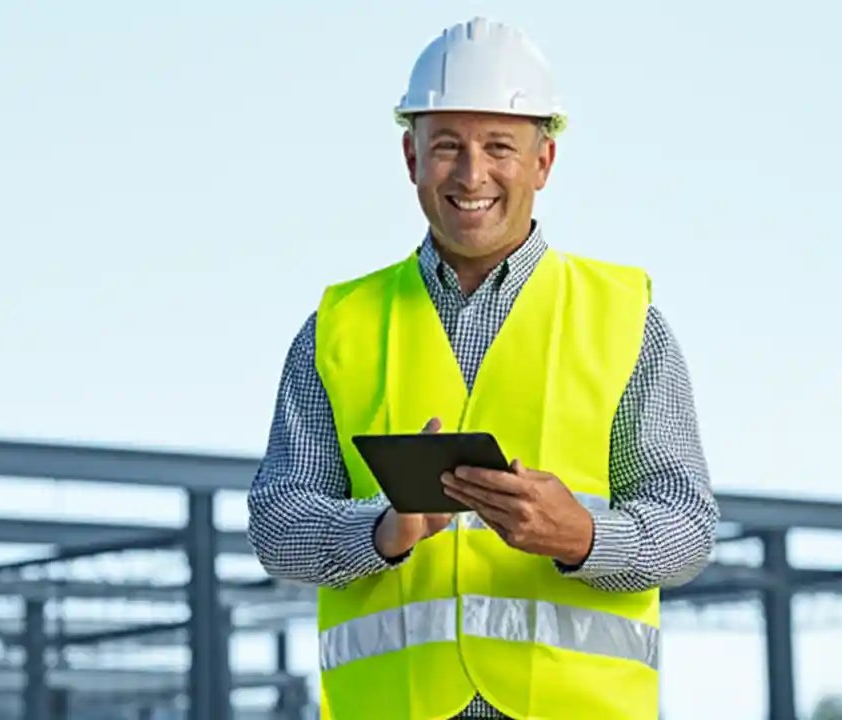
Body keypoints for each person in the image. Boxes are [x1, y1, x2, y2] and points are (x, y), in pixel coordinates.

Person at [246, 16, 719, 720]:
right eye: (447, 148)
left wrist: (584, 537)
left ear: (543, 162)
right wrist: (380, 533)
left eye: (500, 146)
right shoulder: (338, 328)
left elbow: (687, 525)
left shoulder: (623, 321)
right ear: (411, 157)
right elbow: (277, 522)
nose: (472, 175)